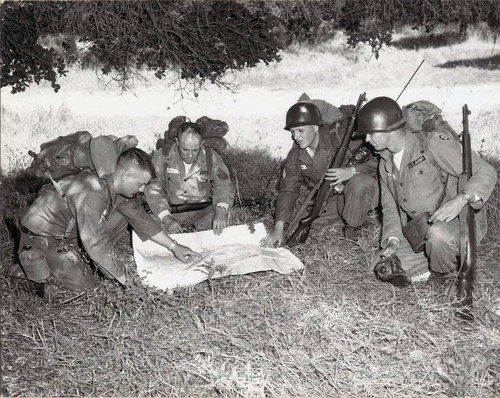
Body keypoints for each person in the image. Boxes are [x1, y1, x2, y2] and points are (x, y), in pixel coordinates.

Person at [16, 147, 200, 298]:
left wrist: (174, 246)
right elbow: (96, 242)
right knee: (83, 290)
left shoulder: (112, 184)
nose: (143, 189)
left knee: (123, 214)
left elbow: (141, 218)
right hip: (42, 240)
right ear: (126, 176)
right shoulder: (91, 191)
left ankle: (84, 259)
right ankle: (22, 274)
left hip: (69, 234)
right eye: (141, 183)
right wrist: (128, 281)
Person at [353, 96, 497, 285]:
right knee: (381, 267)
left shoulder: (432, 144)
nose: (367, 140)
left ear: (389, 129)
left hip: (455, 225)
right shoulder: (385, 162)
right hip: (421, 229)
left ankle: (443, 275)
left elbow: (486, 171)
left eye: (370, 133)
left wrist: (462, 198)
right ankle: (430, 263)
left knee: (438, 236)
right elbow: (390, 209)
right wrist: (393, 241)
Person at [261, 101, 380, 247]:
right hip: (332, 197)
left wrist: (352, 171)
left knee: (360, 183)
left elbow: (380, 158)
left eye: (300, 131)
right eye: (292, 132)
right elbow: (288, 191)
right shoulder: (295, 155)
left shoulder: (340, 135)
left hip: (364, 191)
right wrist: (278, 229)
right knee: (295, 230)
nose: (295, 137)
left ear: (315, 127)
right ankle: (359, 221)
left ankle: (353, 230)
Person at [145, 122, 235, 235]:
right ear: (177, 142)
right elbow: (153, 189)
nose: (190, 155)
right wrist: (167, 218)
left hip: (202, 211)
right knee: (147, 224)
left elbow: (224, 185)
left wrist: (221, 211)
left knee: (224, 219)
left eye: (195, 150)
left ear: (202, 144)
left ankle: (197, 231)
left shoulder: (211, 157)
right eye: (185, 150)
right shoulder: (163, 156)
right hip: (171, 211)